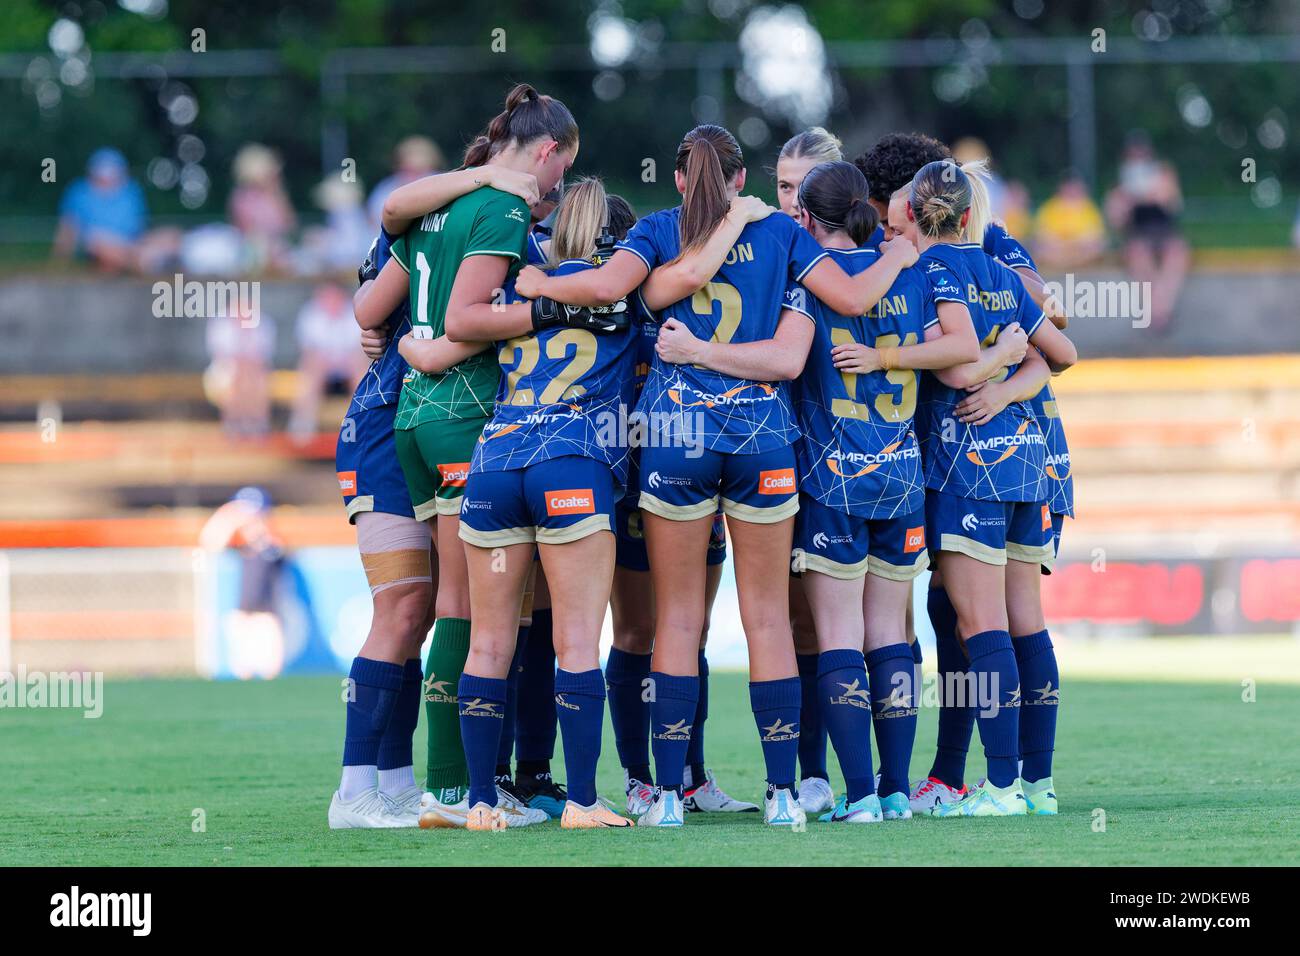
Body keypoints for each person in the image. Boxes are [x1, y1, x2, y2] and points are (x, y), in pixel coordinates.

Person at [516, 123, 919, 828]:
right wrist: (902, 248)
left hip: (674, 438)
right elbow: (846, 305)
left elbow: (614, 286)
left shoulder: (657, 229)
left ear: (678, 178)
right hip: (762, 441)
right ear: (742, 181)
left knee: (676, 618)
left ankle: (666, 796)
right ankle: (783, 794)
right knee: (766, 618)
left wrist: (540, 281)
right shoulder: (780, 233)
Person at [353, 82, 576, 830]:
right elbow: (467, 316)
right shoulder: (506, 208)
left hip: (411, 419)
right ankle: (451, 793)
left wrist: (414, 344)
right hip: (466, 416)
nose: (557, 188)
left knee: (463, 607)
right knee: (464, 608)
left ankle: (456, 786)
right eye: (560, 169)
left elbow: (370, 305)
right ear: (547, 151)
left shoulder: (429, 206)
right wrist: (546, 308)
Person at [448, 176, 644, 830]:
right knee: (577, 641)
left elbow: (454, 332)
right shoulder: (624, 284)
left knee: (490, 642)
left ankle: (480, 800)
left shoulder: (516, 286)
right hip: (572, 463)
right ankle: (584, 802)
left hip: (496, 463)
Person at [905, 160, 1075, 818]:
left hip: (964, 466)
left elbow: (951, 371)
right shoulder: (1004, 273)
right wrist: (1010, 376)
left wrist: (993, 368)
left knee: (982, 627)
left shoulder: (928, 273)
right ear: (974, 213)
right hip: (1026, 461)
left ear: (918, 217)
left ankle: (998, 787)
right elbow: (1063, 355)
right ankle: (1038, 784)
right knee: (1025, 622)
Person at [771, 125, 848, 814]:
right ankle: (805, 770)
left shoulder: (874, 257)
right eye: (782, 187)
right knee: (796, 620)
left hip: (862, 465)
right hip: (782, 455)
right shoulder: (768, 248)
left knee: (873, 627)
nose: (790, 202)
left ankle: (887, 778)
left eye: (803, 188)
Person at [1104, 130, 1188, 330]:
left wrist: (1156, 192)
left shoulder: (1164, 175)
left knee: (1176, 254)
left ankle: (1157, 311)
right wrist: (1125, 199)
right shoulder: (1120, 185)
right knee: (1139, 256)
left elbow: (1175, 205)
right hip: (1138, 235)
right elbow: (1115, 221)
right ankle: (1160, 313)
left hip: (1165, 233)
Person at [289, 283, 370, 442]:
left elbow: (358, 349)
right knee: (312, 367)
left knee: (359, 368)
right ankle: (303, 425)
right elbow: (309, 351)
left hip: (348, 367)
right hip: (322, 368)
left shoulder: (353, 312)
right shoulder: (311, 314)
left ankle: (362, 426)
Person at [52, 148, 147, 273]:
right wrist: (60, 262)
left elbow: (139, 229)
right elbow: (67, 229)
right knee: (102, 247)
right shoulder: (79, 193)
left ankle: (141, 262)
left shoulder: (132, 193)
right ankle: (139, 264)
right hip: (94, 247)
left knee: (168, 236)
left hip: (130, 246)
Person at [228, 143, 297, 272]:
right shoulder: (243, 197)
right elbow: (247, 231)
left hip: (279, 251)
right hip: (254, 253)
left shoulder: (276, 195)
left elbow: (289, 224)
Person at [367, 136, 445, 230]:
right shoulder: (386, 188)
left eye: (418, 171)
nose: (411, 177)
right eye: (409, 171)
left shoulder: (442, 183)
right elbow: (373, 221)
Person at [1033, 171, 1106, 269]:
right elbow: (1042, 233)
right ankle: (1070, 264)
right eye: (1069, 187)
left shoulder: (1088, 207)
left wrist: (1077, 242)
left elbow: (1095, 234)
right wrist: (1061, 243)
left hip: (1081, 249)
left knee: (1095, 247)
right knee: (1043, 248)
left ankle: (1070, 264)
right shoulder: (1050, 207)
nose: (1072, 191)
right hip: (1057, 249)